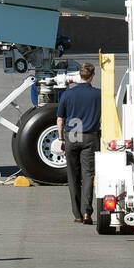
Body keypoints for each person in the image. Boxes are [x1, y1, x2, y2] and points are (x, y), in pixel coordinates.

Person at [56, 62, 101, 224]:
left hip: (73, 135)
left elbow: (60, 120)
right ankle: (87, 212)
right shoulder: (99, 94)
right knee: (88, 175)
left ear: (79, 76)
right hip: (90, 136)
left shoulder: (67, 95)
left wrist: (61, 138)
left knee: (73, 176)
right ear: (92, 76)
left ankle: (77, 214)